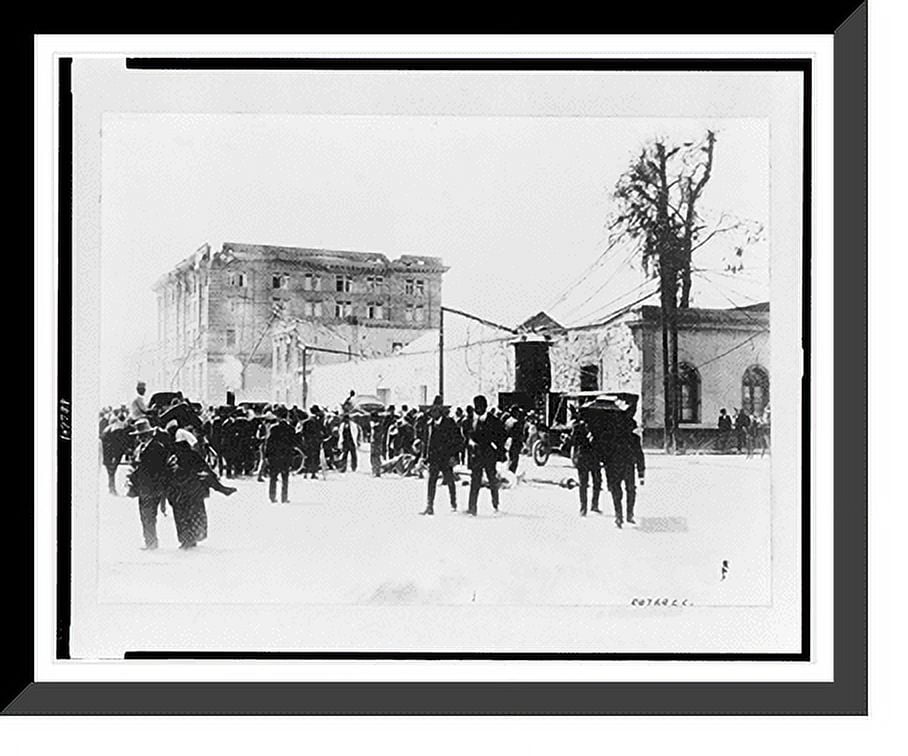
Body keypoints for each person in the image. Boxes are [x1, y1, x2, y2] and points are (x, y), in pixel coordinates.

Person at [127, 418, 169, 550]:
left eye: (142, 435)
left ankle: (151, 543)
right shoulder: (141, 447)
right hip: (143, 487)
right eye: (139, 435)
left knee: (149, 516)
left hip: (152, 488)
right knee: (145, 516)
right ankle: (149, 541)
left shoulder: (157, 447)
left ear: (149, 434)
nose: (139, 437)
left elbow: (158, 469)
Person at [420, 396, 462, 515]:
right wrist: (424, 457)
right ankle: (429, 506)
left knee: (449, 481)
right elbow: (426, 442)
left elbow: (458, 440)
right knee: (431, 482)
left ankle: (453, 504)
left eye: (436, 410)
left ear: (441, 411)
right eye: (432, 410)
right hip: (433, 458)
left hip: (446, 458)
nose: (434, 413)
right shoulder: (429, 425)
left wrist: (454, 455)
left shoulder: (450, 423)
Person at [466, 395, 504, 516]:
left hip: (489, 454)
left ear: (486, 407)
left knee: (492, 480)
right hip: (476, 455)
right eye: (477, 406)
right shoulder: (470, 420)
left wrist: (499, 451)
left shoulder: (494, 421)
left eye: (481, 406)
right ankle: (472, 508)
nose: (479, 409)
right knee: (475, 481)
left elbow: (501, 437)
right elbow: (466, 435)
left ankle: (495, 504)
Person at [605, 422, 646, 529]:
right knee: (630, 491)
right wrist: (641, 473)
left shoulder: (612, 438)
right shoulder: (634, 439)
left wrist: (608, 475)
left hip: (616, 468)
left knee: (617, 492)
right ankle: (628, 515)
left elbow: (606, 457)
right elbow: (639, 456)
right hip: (628, 468)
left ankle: (619, 516)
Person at [570, 412, 602, 517]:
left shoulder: (597, 427)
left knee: (595, 482)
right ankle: (585, 507)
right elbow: (574, 441)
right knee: (585, 483)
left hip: (591, 458)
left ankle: (591, 505)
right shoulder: (579, 427)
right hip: (587, 457)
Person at [264, 406, 296, 503]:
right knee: (285, 478)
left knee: (273, 477)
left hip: (275, 456)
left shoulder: (274, 429)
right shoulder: (291, 429)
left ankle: (272, 497)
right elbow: (293, 443)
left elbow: (269, 443)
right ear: (287, 416)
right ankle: (284, 497)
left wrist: (266, 456)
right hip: (286, 456)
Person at [100, 410, 130, 495]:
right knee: (113, 468)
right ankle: (112, 487)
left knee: (110, 468)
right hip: (115, 445)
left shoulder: (108, 427)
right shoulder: (121, 427)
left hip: (107, 444)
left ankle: (111, 486)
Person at [369, 411, 384, 477]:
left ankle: (377, 471)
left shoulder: (377, 426)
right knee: (373, 457)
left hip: (376, 443)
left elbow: (377, 435)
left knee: (375, 457)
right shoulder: (375, 425)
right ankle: (375, 470)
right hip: (374, 442)